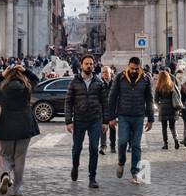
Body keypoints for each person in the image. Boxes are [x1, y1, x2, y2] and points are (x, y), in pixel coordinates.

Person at [0, 62, 40, 195]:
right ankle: (17, 188)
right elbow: (37, 79)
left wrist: (2, 75)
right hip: (24, 125)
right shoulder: (27, 86)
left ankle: (5, 174)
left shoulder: (1, 87)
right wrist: (25, 71)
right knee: (20, 157)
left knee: (5, 155)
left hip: (5, 125)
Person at [109, 56, 154, 184]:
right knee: (122, 141)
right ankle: (121, 161)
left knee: (136, 145)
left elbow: (149, 99)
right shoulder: (119, 77)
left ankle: (135, 172)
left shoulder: (145, 78)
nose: (134, 71)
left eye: (136, 69)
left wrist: (150, 119)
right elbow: (112, 97)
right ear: (128, 66)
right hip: (123, 115)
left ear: (140, 67)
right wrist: (111, 117)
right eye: (132, 68)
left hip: (139, 116)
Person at [65, 54, 107, 188]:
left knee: (94, 148)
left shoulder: (99, 82)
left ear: (93, 65)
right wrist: (68, 121)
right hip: (79, 120)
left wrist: (105, 121)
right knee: (77, 148)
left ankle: (92, 178)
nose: (89, 66)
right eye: (86, 63)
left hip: (95, 120)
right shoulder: (74, 82)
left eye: (91, 64)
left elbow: (104, 103)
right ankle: (75, 167)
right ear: (81, 65)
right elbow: (68, 102)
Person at [155, 69, 182, 149]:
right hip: (172, 107)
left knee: (164, 127)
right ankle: (176, 139)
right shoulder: (172, 85)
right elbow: (178, 95)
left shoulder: (158, 87)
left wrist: (159, 105)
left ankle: (165, 144)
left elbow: (156, 100)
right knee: (172, 126)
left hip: (163, 108)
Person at [99, 64, 117, 155]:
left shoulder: (115, 84)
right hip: (102, 110)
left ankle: (113, 146)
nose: (105, 74)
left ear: (111, 73)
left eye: (107, 72)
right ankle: (103, 146)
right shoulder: (100, 84)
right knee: (103, 128)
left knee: (112, 128)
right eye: (103, 72)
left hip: (112, 110)